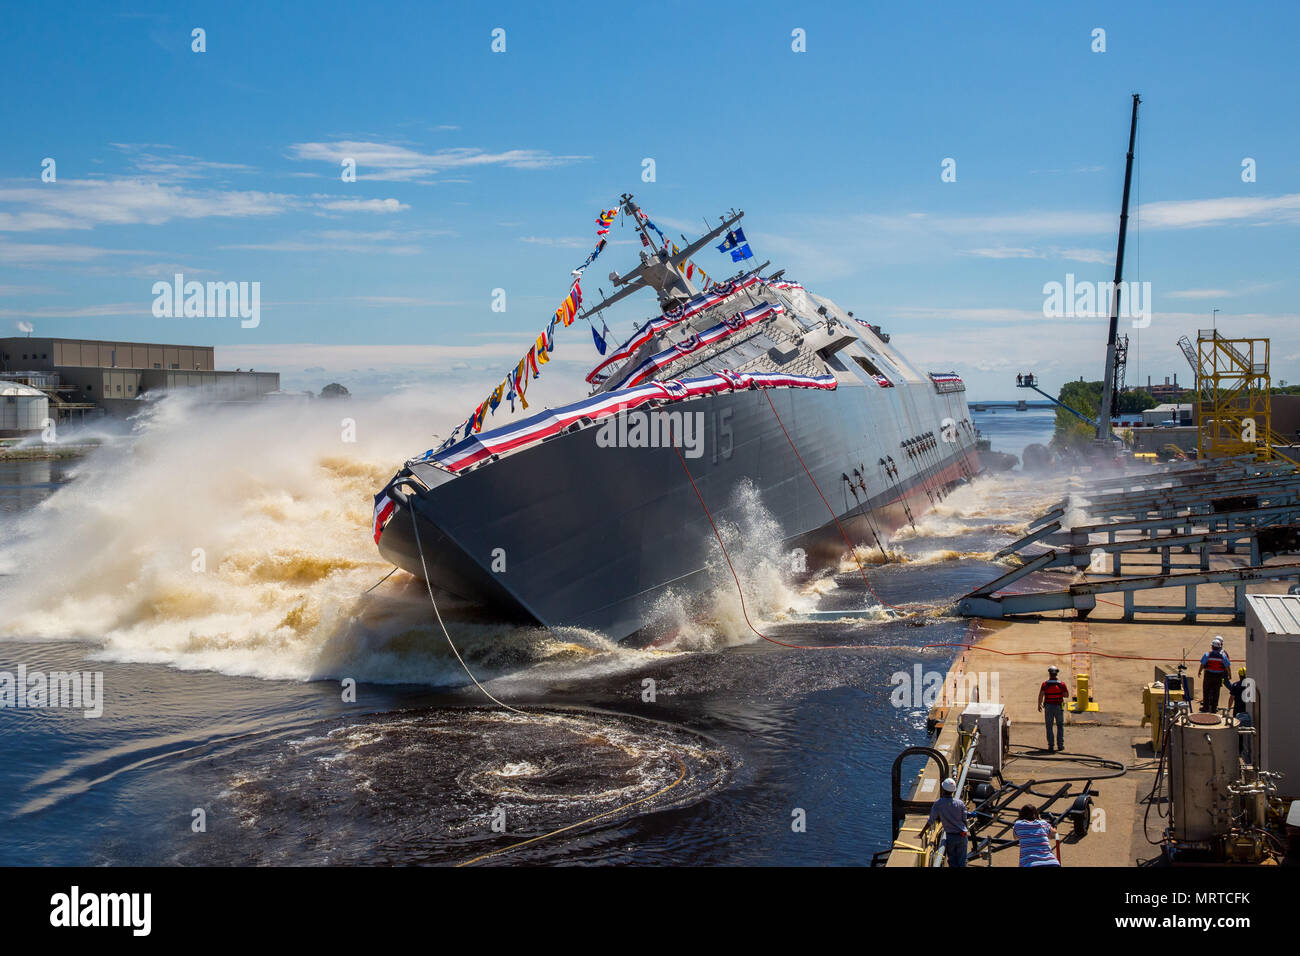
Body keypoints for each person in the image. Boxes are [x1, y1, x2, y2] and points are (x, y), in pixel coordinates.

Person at [927, 777, 970, 868]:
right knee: (962, 861)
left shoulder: (938, 803)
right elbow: (964, 819)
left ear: (943, 790)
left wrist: (921, 833)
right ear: (953, 791)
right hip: (962, 835)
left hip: (950, 836)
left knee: (952, 861)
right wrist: (966, 830)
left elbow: (931, 820)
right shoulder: (960, 803)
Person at [1225, 666, 1254, 762]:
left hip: (1237, 710)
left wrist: (1229, 708)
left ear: (1239, 675)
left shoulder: (1235, 685)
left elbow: (1231, 698)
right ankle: (1244, 749)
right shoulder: (1250, 686)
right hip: (1247, 710)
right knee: (1246, 730)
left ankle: (1237, 748)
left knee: (1237, 729)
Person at [1037, 665, 1069, 752]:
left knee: (1049, 726)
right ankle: (1060, 746)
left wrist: (1039, 705)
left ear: (1049, 674)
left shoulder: (1045, 684)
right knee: (1060, 726)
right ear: (1056, 674)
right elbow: (1066, 695)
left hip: (1048, 707)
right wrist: (1058, 694)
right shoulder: (1062, 684)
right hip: (1059, 706)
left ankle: (1051, 746)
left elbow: (1041, 695)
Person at [1198, 636, 1231, 713]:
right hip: (1218, 676)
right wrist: (1229, 674)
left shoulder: (1207, 654)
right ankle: (1214, 708)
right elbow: (1227, 666)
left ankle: (1206, 708)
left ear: (1212, 647)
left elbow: (1202, 664)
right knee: (1216, 692)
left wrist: (1199, 671)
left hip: (1208, 675)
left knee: (1206, 691)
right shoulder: (1223, 655)